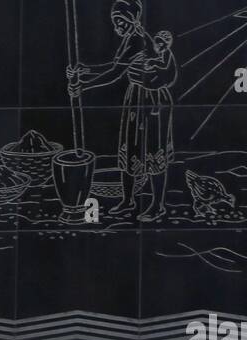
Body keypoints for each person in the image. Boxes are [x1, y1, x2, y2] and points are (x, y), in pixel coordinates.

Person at [66, 0, 176, 221]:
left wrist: (83, 86)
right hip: (136, 97)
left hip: (150, 100)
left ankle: (157, 205)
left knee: (153, 152)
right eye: (115, 22)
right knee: (131, 149)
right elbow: (114, 65)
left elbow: (115, 73)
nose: (117, 26)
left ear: (132, 20)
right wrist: (86, 70)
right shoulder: (130, 38)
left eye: (121, 21)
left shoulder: (137, 40)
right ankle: (128, 201)